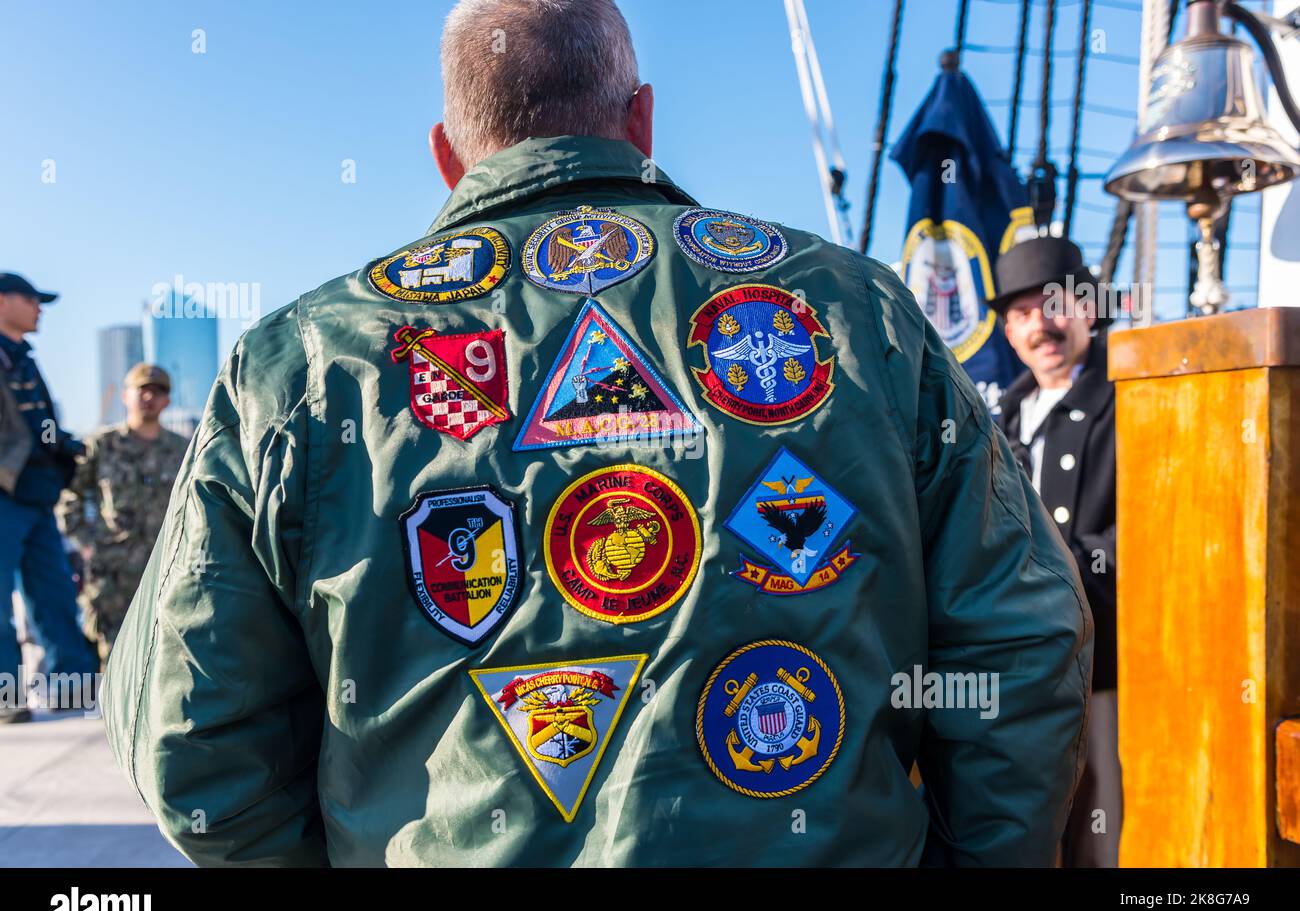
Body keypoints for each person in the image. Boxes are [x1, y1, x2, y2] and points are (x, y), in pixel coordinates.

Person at [103, 0, 1091, 866]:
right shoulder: (855, 312)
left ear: (446, 153)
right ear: (642, 119)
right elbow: (1022, 639)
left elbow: (187, 738)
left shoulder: (305, 362)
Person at [989, 235, 1120, 867]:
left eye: (1055, 303)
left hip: (1102, 667)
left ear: (1090, 309)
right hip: (1016, 672)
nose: (1041, 324)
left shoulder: (1129, 404)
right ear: (1008, 332)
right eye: (1021, 312)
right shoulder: (996, 420)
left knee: (1099, 836)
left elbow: (1144, 539)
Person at [0, 272, 98, 724]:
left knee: (56, 595)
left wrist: (62, 443)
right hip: (5, 494)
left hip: (37, 495)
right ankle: (6, 701)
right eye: (32, 299)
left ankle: (71, 691)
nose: (40, 308)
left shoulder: (22, 357)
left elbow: (35, 426)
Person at [57, 363, 188, 665]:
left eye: (157, 392)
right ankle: (114, 713)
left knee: (165, 652)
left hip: (164, 566)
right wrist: (87, 543)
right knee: (115, 657)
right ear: (126, 396)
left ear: (167, 401)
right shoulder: (101, 445)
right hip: (112, 571)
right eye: (142, 391)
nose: (149, 398)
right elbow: (69, 495)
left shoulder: (181, 449)